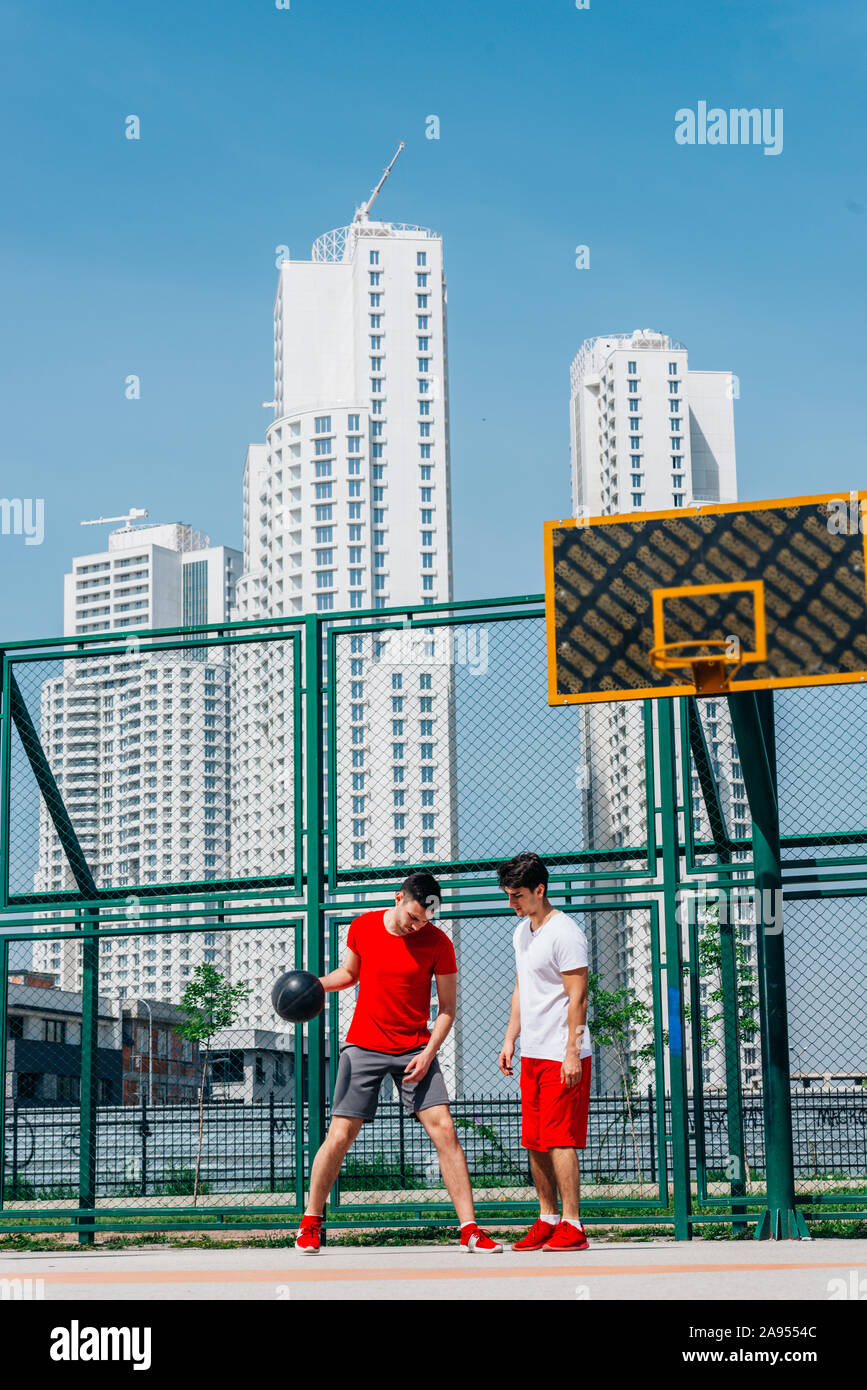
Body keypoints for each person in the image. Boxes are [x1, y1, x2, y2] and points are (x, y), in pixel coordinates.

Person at [295, 871, 503, 1254]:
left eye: (424, 920)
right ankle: (310, 1223)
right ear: (398, 898)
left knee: (445, 1130)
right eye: (413, 917)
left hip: (415, 1049)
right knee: (339, 1135)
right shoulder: (362, 927)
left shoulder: (438, 943)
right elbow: (350, 974)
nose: (417, 926)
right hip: (364, 1044)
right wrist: (315, 985)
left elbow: (448, 1008)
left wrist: (429, 1053)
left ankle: (470, 1231)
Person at [497, 852, 592, 1252]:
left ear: (540, 890)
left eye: (517, 895)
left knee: (559, 1138)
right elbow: (523, 986)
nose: (512, 903)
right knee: (535, 1140)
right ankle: (548, 1219)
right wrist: (510, 1038)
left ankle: (573, 1224)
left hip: (562, 1053)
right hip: (533, 1054)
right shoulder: (522, 933)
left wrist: (572, 1052)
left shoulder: (565, 933)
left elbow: (579, 998)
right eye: (508, 895)